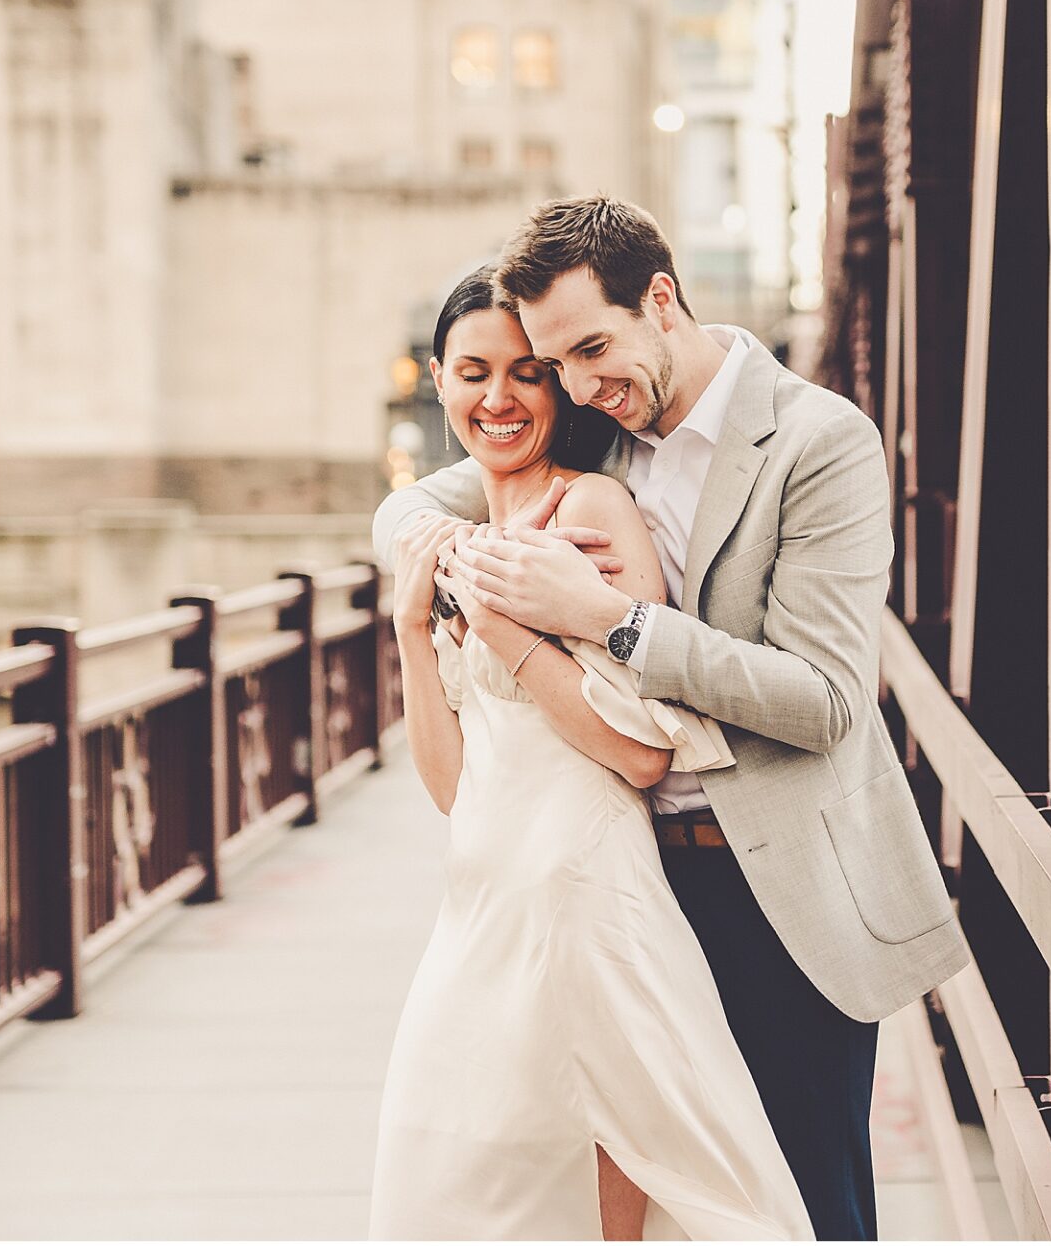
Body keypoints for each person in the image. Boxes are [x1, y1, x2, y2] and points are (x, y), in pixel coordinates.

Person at [374, 197, 972, 1242]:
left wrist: (612, 620)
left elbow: (826, 701)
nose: (576, 383)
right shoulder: (601, 425)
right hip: (628, 877)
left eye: (591, 349)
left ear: (662, 299)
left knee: (796, 1203)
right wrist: (437, 554)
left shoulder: (821, 440)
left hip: (778, 890)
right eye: (556, 362)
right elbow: (430, 491)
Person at [367, 265, 813, 1243]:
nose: (500, 397)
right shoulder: (458, 542)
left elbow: (642, 754)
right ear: (437, 378)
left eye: (527, 372)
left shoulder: (591, 512)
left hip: (584, 890)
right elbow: (453, 788)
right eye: (474, 371)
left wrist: (506, 631)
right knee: (452, 1177)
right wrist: (412, 625)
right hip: (480, 902)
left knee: (641, 1158)